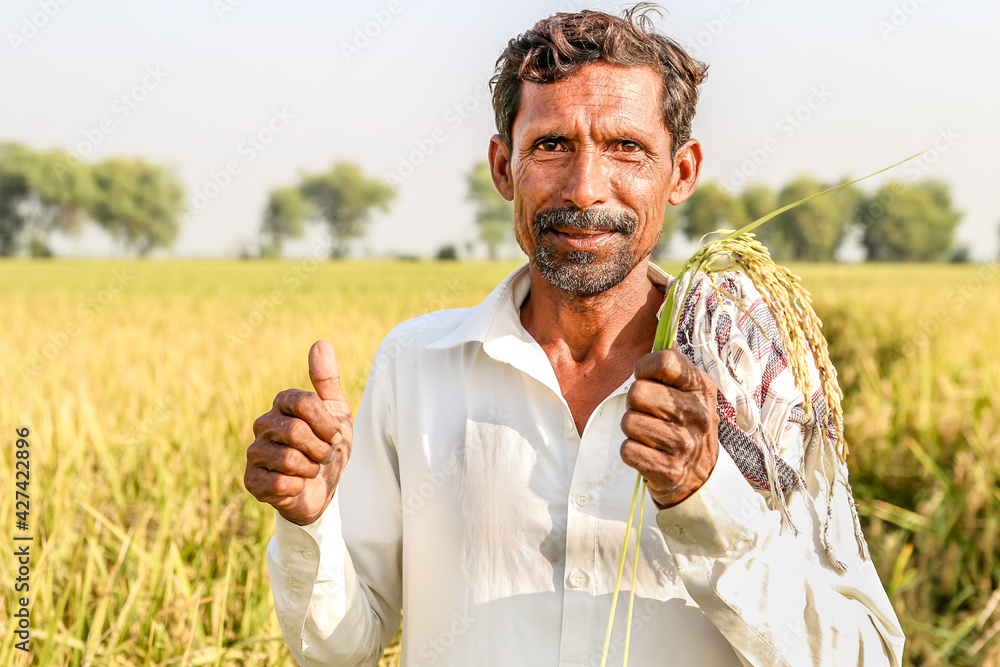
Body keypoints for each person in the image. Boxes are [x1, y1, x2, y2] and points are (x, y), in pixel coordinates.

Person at [244, 5, 905, 665]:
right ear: (505, 168)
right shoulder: (416, 365)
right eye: (552, 145)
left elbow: (864, 655)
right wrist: (310, 522)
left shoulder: (758, 379)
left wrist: (706, 494)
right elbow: (340, 648)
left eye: (626, 146)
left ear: (681, 172)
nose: (587, 189)